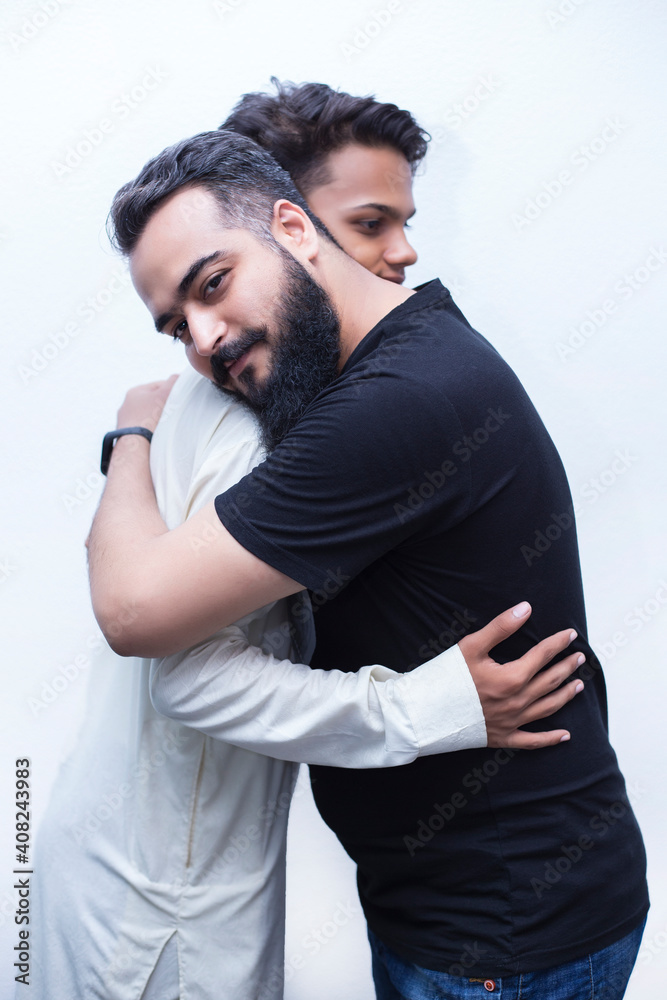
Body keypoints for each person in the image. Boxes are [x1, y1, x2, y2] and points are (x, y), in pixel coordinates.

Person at [30, 87, 581, 1000]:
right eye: (176, 323)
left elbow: (142, 621)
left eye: (212, 285)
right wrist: (132, 439)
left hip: (500, 925)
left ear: (291, 226)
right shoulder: (275, 399)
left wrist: (127, 438)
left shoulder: (380, 401)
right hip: (214, 903)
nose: (201, 341)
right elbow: (152, 629)